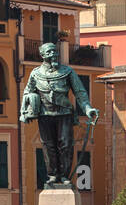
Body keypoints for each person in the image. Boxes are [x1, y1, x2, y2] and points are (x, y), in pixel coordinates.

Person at [20, 42, 98, 184]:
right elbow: (27, 92)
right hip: (45, 114)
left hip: (64, 113)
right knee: (48, 145)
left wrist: (87, 108)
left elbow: (80, 92)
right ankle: (52, 175)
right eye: (49, 52)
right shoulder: (36, 74)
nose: (54, 54)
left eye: (55, 51)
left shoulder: (67, 72)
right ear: (42, 55)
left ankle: (64, 175)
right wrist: (25, 111)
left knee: (66, 144)